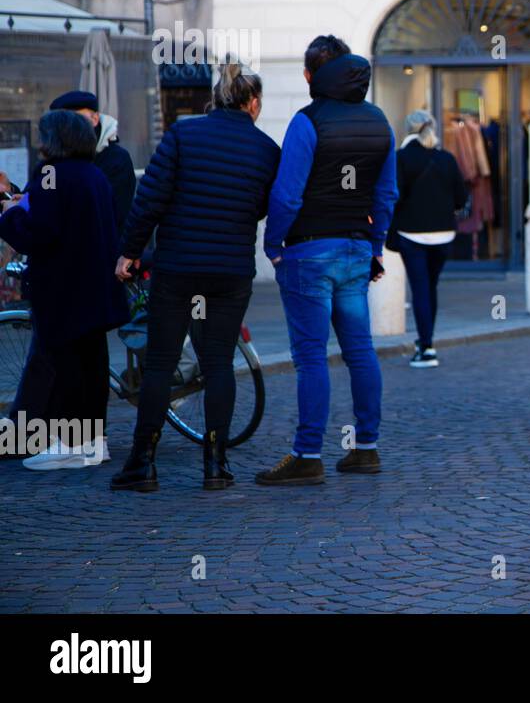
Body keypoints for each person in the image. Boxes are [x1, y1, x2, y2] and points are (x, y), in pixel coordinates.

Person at [109, 62, 281, 492]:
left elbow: (149, 200)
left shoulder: (184, 134)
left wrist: (130, 253)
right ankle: (216, 464)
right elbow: (264, 206)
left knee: (161, 364)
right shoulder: (266, 149)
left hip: (179, 266)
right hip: (230, 270)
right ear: (253, 102)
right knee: (219, 363)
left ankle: (142, 464)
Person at [258, 36, 398, 486]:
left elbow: (286, 193)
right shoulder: (380, 122)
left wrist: (274, 244)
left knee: (311, 357)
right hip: (356, 247)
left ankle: (308, 453)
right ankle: (366, 448)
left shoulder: (308, 121)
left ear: (311, 76)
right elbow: (386, 193)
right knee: (360, 351)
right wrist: (375, 245)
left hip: (309, 250)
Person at [0, 111, 128, 470]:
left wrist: (9, 214)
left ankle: (71, 444)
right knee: (92, 366)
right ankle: (92, 442)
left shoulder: (53, 174)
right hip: (94, 287)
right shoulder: (93, 174)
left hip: (64, 289)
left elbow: (39, 232)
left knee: (69, 367)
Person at [389, 110, 468, 369]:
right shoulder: (446, 158)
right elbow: (460, 198)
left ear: (408, 129)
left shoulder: (401, 158)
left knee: (421, 289)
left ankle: (427, 347)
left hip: (411, 234)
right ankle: (426, 342)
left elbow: (394, 196)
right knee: (429, 288)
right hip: (444, 234)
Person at [0, 90, 136, 233]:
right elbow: (38, 200)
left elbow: (110, 217)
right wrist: (9, 192)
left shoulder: (115, 160)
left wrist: (14, 214)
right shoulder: (52, 167)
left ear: (95, 119)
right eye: (61, 122)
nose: (66, 128)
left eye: (73, 119)